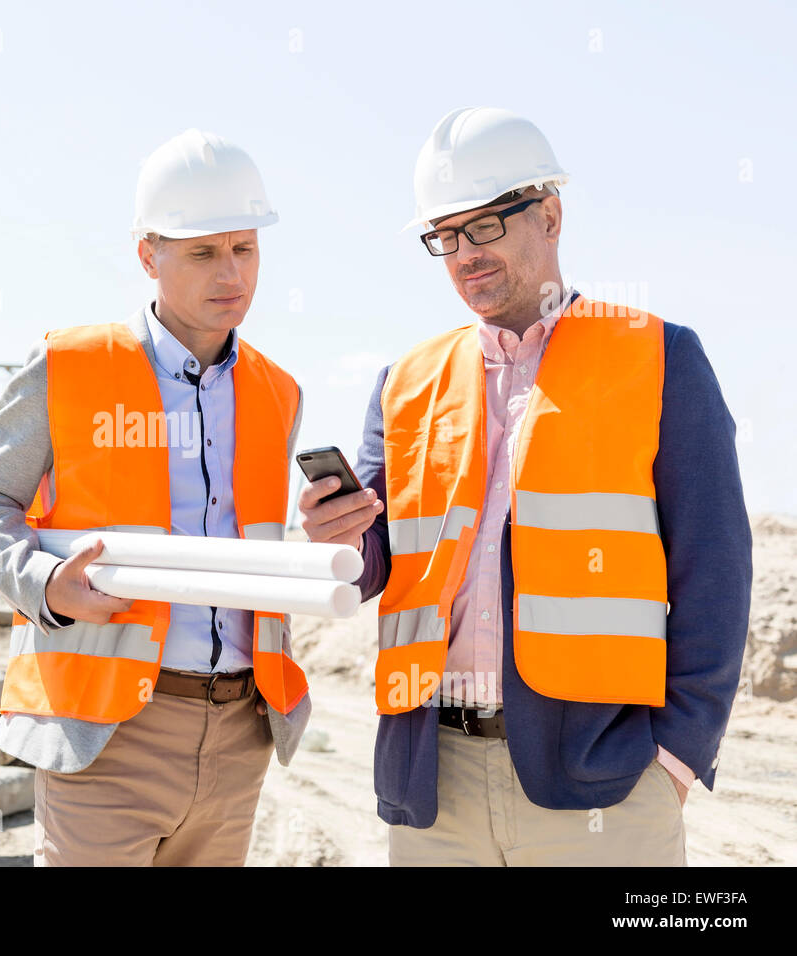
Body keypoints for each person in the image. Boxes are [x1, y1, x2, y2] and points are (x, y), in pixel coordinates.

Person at [299, 107, 751, 865]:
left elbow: (717, 570)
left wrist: (676, 757)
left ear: (549, 215)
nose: (463, 254)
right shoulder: (405, 382)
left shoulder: (659, 357)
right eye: (444, 236)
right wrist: (338, 533)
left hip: (602, 785)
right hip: (431, 780)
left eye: (483, 227)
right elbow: (379, 559)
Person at [0, 128, 311, 866]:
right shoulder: (69, 366)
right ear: (149, 254)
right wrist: (48, 583)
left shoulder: (278, 391)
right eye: (204, 252)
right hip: (108, 732)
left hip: (240, 727)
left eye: (244, 248)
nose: (231, 273)